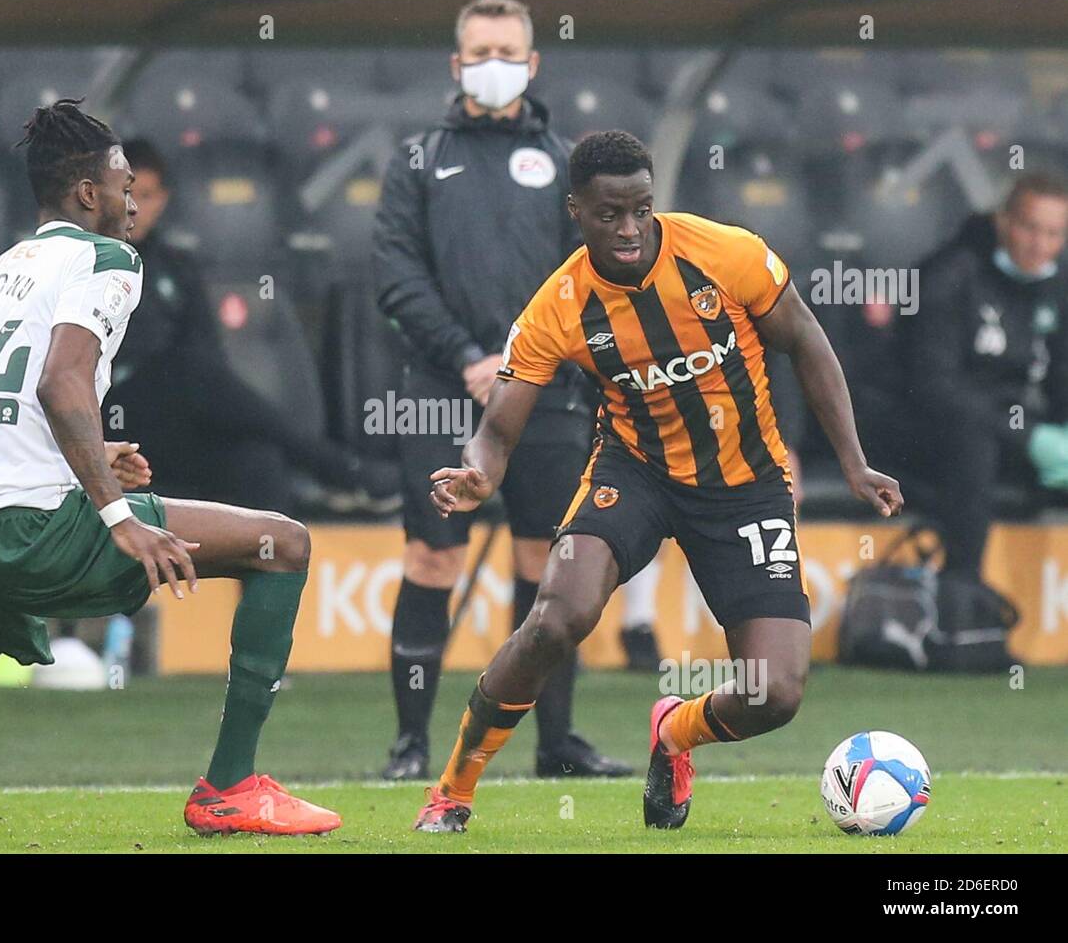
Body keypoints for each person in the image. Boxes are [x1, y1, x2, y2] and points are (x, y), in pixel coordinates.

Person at [0, 99, 339, 836]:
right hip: (25, 528)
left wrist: (92, 461)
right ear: (89, 193)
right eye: (126, 184)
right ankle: (232, 786)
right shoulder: (109, 259)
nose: (135, 202)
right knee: (283, 543)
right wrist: (118, 516)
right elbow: (61, 384)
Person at [414, 131, 903, 833]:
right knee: (558, 616)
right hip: (634, 473)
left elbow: (807, 341)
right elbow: (497, 427)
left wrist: (852, 461)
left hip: (746, 485)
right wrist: (478, 475)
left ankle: (676, 731)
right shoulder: (558, 306)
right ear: (575, 211)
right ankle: (454, 788)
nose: (629, 228)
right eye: (609, 213)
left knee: (777, 692)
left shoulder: (725, 253)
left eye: (641, 209)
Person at [373, 0, 629, 781]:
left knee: (547, 566)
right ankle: (412, 747)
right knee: (431, 562)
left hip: (548, 394)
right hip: (439, 391)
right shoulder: (417, 158)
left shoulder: (565, 164)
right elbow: (395, 275)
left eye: (507, 52)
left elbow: (587, 278)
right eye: (479, 52)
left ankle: (555, 746)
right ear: (457, 65)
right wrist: (466, 358)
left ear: (532, 63)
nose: (493, 65)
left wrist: (524, 363)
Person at [103, 139, 398, 514]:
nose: (136, 207)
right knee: (189, 369)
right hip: (115, 416)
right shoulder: (93, 260)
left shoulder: (176, 265)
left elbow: (207, 350)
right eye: (127, 194)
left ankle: (271, 562)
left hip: (172, 423)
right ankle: (336, 467)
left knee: (260, 461)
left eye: (146, 194)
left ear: (163, 198)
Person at [888, 172, 1068, 580]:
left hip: (1012, 427)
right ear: (1003, 221)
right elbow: (934, 388)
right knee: (974, 445)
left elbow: (1061, 371)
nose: (1041, 246)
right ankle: (962, 598)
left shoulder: (1056, 284)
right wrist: (1028, 437)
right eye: (1030, 228)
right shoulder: (950, 275)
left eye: (1055, 234)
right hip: (931, 435)